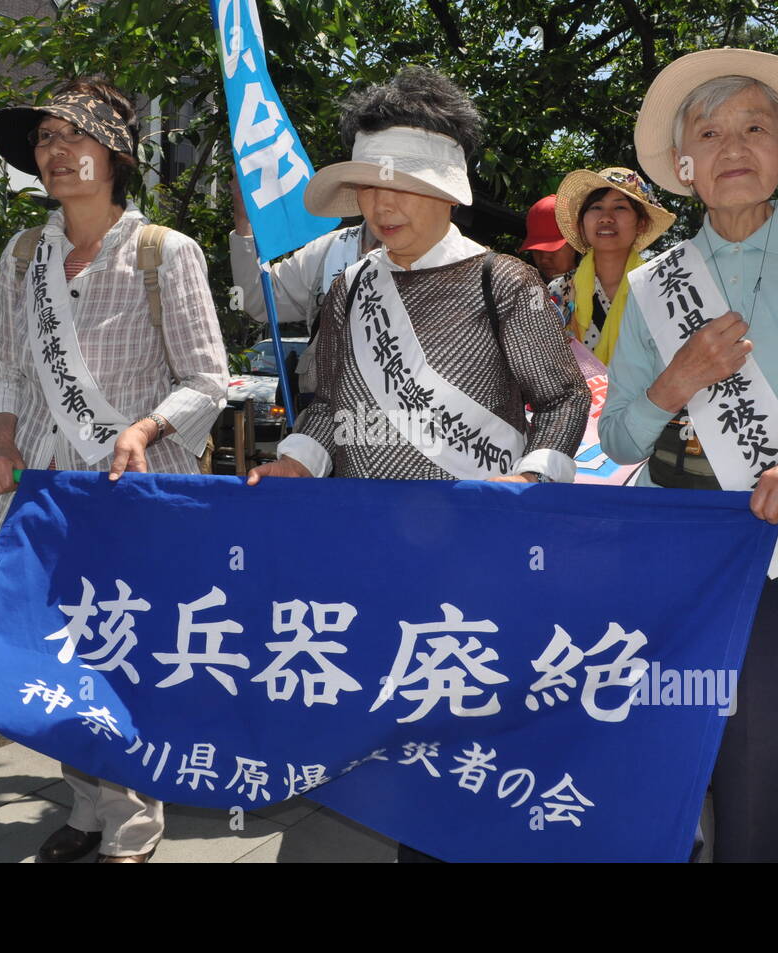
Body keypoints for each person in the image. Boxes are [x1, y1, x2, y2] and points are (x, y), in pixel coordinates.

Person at [245, 66, 591, 862]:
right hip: (372, 554)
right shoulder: (348, 288)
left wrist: (533, 480)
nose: (380, 205)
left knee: (471, 734)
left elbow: (563, 400)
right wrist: (298, 460)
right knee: (392, 733)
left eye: (398, 185)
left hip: (479, 555)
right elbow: (328, 406)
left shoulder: (502, 281)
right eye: (366, 187)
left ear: (448, 187)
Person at [602, 49, 778, 861]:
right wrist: (677, 382)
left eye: (756, 127)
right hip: (673, 563)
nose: (734, 145)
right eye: (712, 130)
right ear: (684, 165)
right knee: (662, 770)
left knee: (764, 785)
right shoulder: (654, 283)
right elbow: (619, 437)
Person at [0, 77, 228, 863]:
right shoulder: (25, 255)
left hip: (133, 490)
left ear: (114, 156)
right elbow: (6, 364)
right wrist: (0, 437)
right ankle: (82, 806)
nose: (55, 151)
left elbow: (207, 378)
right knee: (53, 658)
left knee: (121, 656)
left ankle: (131, 829)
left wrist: (145, 426)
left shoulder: (163, 253)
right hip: (43, 489)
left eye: (71, 136)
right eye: (45, 137)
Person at [228, 181, 380, 406]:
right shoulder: (330, 249)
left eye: (404, 187)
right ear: (357, 189)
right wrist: (245, 222)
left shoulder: (448, 262)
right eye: (373, 186)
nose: (387, 202)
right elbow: (257, 299)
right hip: (324, 425)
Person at [548, 167, 675, 363]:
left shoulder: (662, 290)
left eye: (620, 207)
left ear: (641, 223)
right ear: (582, 224)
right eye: (596, 207)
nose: (606, 217)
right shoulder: (560, 291)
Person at [520, 194, 579, 284]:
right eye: (537, 250)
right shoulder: (525, 289)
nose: (544, 259)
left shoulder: (600, 288)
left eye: (552, 249)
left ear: (575, 243)